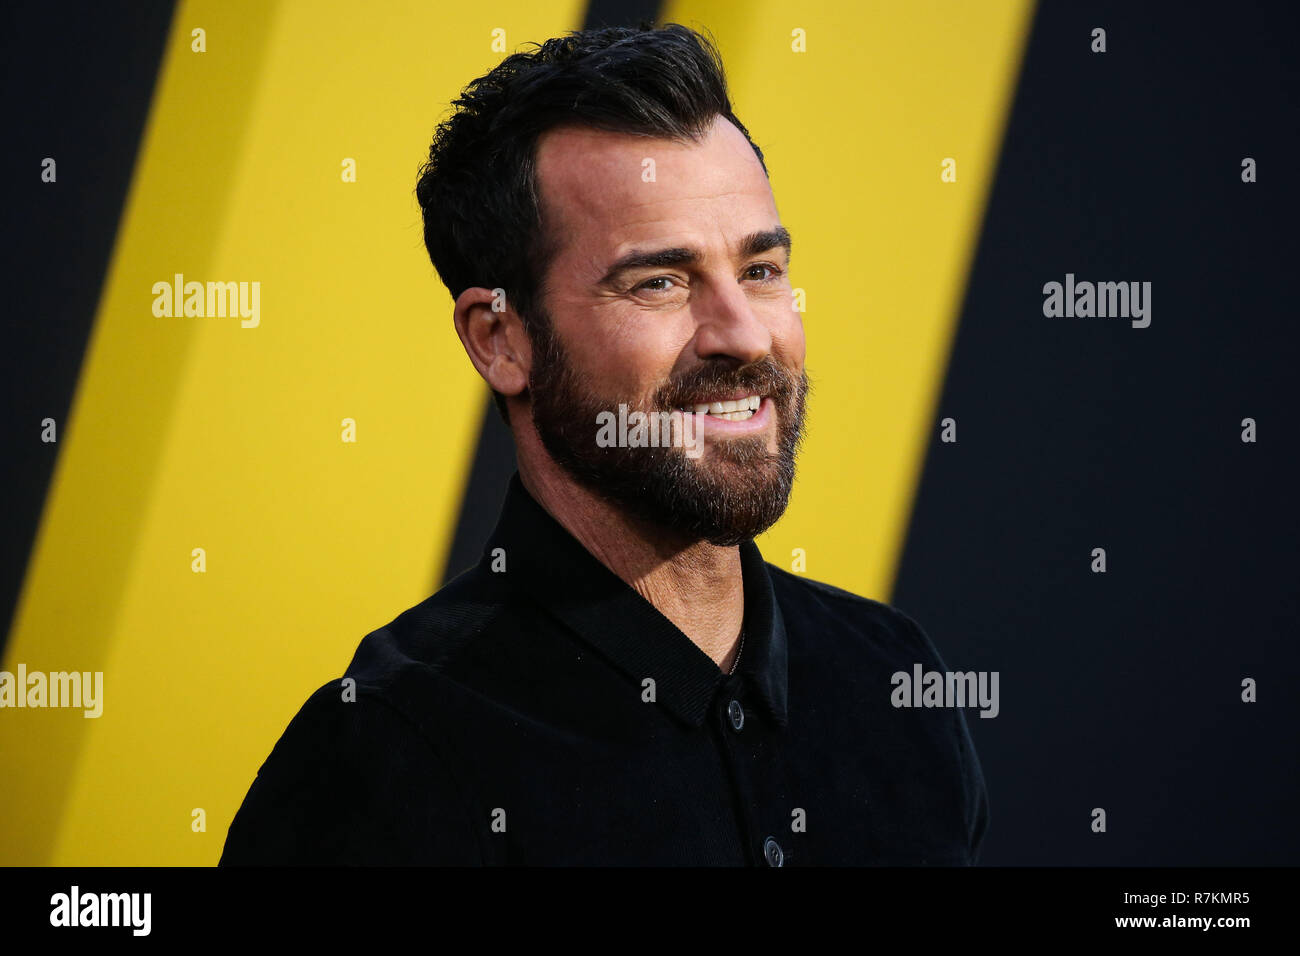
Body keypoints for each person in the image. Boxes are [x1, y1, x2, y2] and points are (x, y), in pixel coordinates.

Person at [220, 22, 988, 866]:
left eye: (761, 271)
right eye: (660, 281)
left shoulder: (892, 680)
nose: (742, 335)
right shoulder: (388, 756)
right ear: (500, 340)